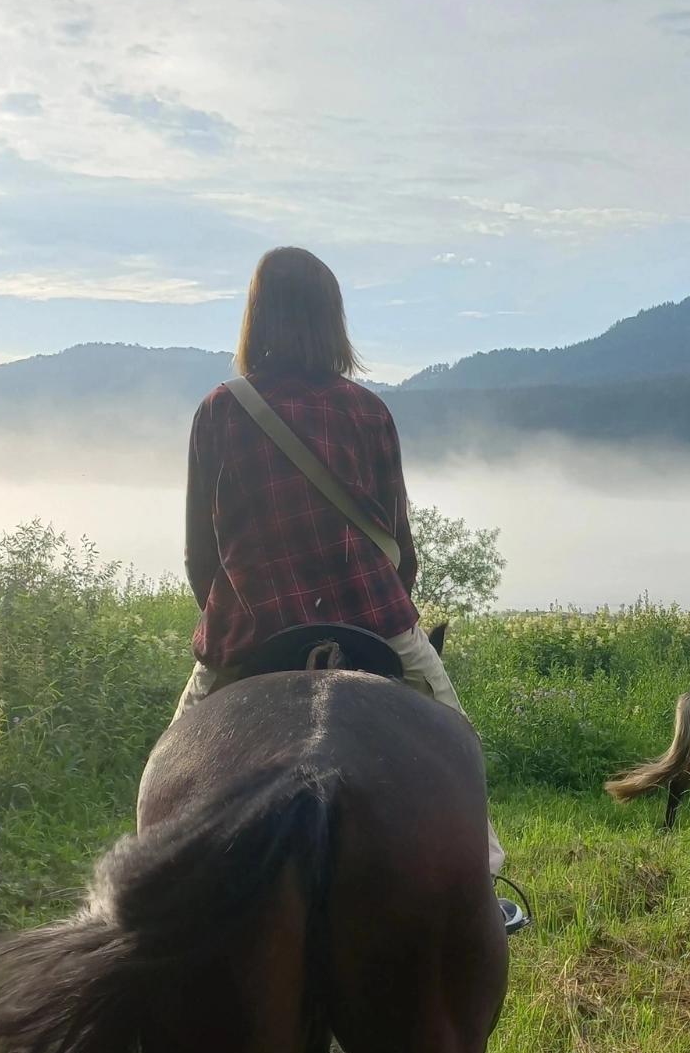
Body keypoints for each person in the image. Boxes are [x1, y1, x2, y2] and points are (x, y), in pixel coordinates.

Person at [177, 245, 523, 926]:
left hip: (252, 631)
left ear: (255, 318)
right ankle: (481, 895)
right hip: (372, 622)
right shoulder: (368, 412)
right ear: (333, 322)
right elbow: (403, 551)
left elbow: (200, 555)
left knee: (173, 760)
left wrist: (235, 621)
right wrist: (382, 606)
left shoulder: (218, 412)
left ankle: (144, 911)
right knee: (455, 743)